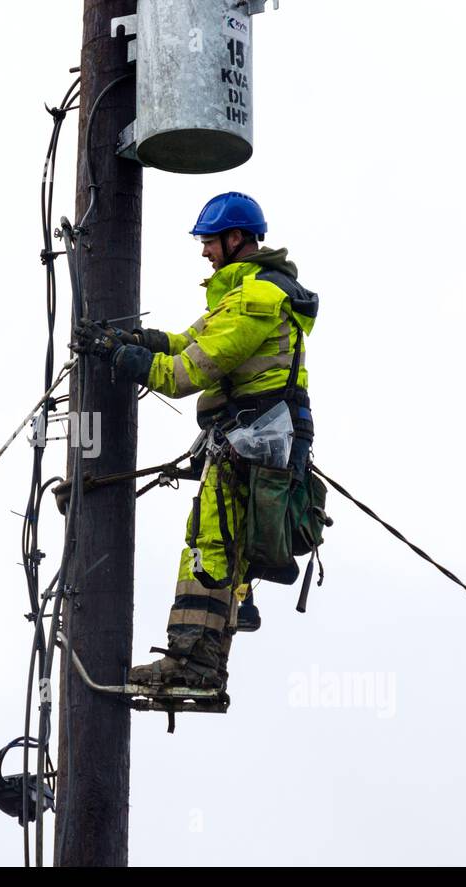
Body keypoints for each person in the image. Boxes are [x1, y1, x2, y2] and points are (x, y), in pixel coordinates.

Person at [75, 191, 319, 690]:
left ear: (236, 238)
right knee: (215, 544)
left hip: (251, 444)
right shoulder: (244, 293)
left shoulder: (256, 298)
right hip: (249, 441)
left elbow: (185, 373)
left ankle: (193, 665)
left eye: (209, 241)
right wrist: (132, 340)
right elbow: (186, 341)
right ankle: (201, 661)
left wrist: (123, 359)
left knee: (212, 547)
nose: (205, 252)